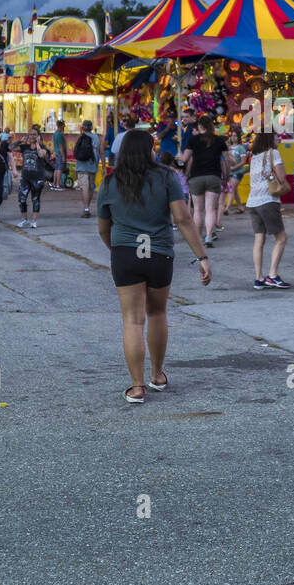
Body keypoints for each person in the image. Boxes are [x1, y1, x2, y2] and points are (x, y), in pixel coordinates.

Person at [97, 129, 211, 404]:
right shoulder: (167, 177)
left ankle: (136, 387)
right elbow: (183, 218)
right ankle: (157, 375)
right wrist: (202, 256)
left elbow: (103, 227)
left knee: (132, 320)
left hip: (125, 254)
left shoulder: (110, 181)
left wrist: (116, 249)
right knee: (157, 313)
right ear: (149, 150)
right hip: (159, 253)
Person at [245, 131, 291, 289]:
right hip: (268, 201)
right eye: (276, 136)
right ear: (269, 138)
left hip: (253, 202)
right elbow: (282, 177)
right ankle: (273, 275)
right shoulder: (274, 153)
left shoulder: (255, 158)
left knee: (259, 240)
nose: (279, 138)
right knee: (281, 238)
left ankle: (259, 278)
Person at [182, 114, 228, 247]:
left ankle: (197, 239)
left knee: (197, 210)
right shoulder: (219, 141)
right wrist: (226, 176)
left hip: (196, 177)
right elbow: (226, 161)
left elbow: (185, 158)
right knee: (211, 209)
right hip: (214, 177)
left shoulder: (193, 140)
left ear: (199, 126)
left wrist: (177, 161)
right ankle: (208, 236)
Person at [13, 127, 54, 229]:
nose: (32, 136)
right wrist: (20, 141)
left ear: (38, 136)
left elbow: (41, 155)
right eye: (30, 134)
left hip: (38, 178)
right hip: (25, 177)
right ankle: (24, 219)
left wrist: (37, 144)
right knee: (22, 199)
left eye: (34, 134)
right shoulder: (24, 147)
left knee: (35, 199)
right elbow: (11, 148)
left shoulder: (43, 148)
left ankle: (34, 221)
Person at [73, 119, 99, 217]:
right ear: (92, 128)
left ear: (83, 128)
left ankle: (86, 208)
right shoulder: (96, 137)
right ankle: (87, 207)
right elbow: (101, 152)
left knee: (84, 187)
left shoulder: (80, 137)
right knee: (90, 187)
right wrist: (104, 167)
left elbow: (75, 150)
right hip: (93, 165)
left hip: (81, 166)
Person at [52, 121, 67, 190]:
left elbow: (54, 144)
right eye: (64, 126)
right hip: (60, 154)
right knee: (59, 169)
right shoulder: (60, 134)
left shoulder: (55, 133)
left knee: (56, 169)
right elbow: (61, 146)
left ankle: (54, 184)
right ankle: (58, 185)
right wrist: (63, 156)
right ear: (61, 126)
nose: (64, 127)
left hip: (56, 153)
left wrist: (54, 152)